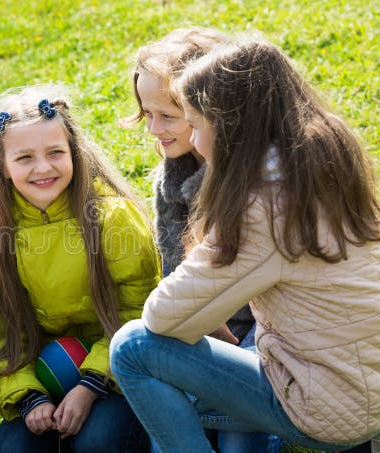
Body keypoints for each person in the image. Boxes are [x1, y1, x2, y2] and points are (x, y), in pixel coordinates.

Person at [110, 37, 380, 452]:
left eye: (195, 124)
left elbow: (161, 318)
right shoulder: (318, 156)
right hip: (370, 383)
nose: (193, 142)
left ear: (230, 125)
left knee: (131, 348)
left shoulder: (260, 205)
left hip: (322, 403)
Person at [0, 85, 161, 453]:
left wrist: (90, 385)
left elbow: (139, 313)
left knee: (98, 442)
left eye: (55, 152)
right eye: (24, 158)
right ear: (3, 167)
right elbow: (0, 339)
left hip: (117, 372)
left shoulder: (113, 219)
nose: (43, 167)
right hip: (43, 378)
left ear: (74, 153)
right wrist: (30, 399)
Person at [123, 28, 278, 452]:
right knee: (175, 427)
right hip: (202, 324)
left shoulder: (256, 179)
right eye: (146, 114)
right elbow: (175, 269)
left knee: (237, 437)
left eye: (168, 116)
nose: (154, 128)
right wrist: (205, 328)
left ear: (208, 109)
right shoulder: (170, 180)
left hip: (267, 330)